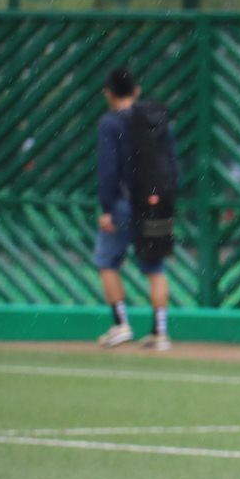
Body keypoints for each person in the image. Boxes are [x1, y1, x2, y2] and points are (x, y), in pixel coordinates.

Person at [94, 67, 179, 351]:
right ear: (136, 90)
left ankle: (121, 324)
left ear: (108, 93)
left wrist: (107, 207)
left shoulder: (110, 124)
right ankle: (160, 332)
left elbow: (108, 170)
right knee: (155, 267)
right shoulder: (157, 120)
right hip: (156, 202)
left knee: (107, 261)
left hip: (123, 201)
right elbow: (173, 165)